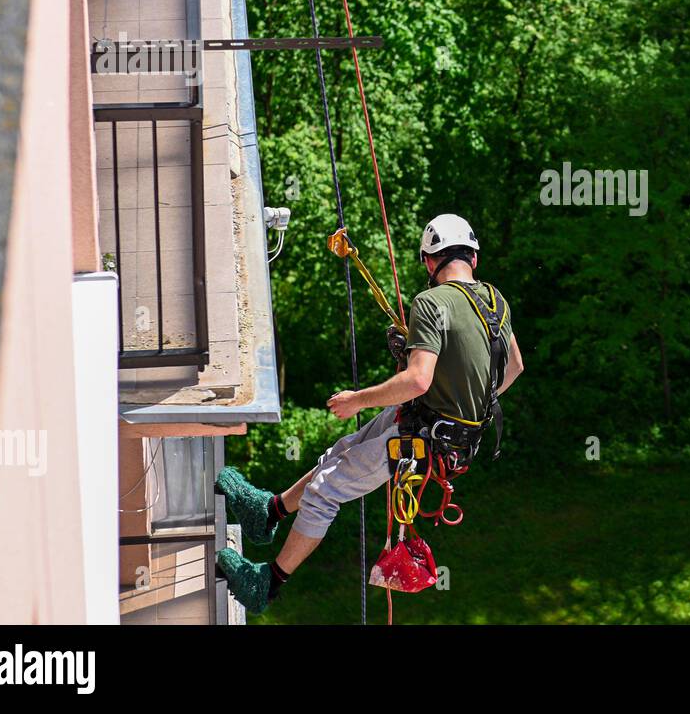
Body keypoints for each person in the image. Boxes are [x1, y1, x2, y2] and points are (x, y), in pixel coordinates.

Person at [214, 214, 523, 614]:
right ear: (474, 259)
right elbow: (513, 367)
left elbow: (417, 380)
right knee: (340, 454)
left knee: (327, 490)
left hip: (420, 435)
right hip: (439, 430)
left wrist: (358, 399)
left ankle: (267, 584)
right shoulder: (497, 301)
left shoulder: (430, 303)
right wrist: (469, 402)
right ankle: (268, 511)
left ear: (430, 262)